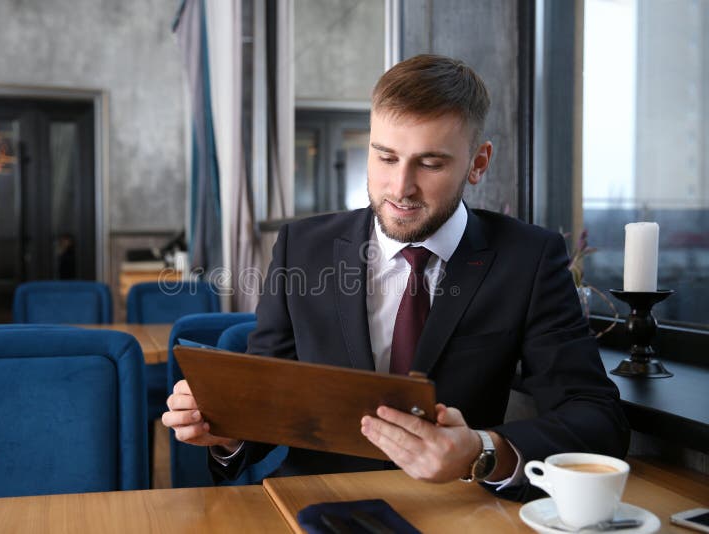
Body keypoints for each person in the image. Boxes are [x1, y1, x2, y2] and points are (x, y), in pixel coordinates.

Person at [162, 54, 629, 501]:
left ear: (478, 163)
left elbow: (597, 416)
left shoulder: (528, 259)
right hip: (314, 505)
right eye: (385, 157)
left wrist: (483, 452)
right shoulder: (300, 249)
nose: (400, 188)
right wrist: (226, 433)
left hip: (455, 510)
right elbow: (267, 411)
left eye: (430, 163)